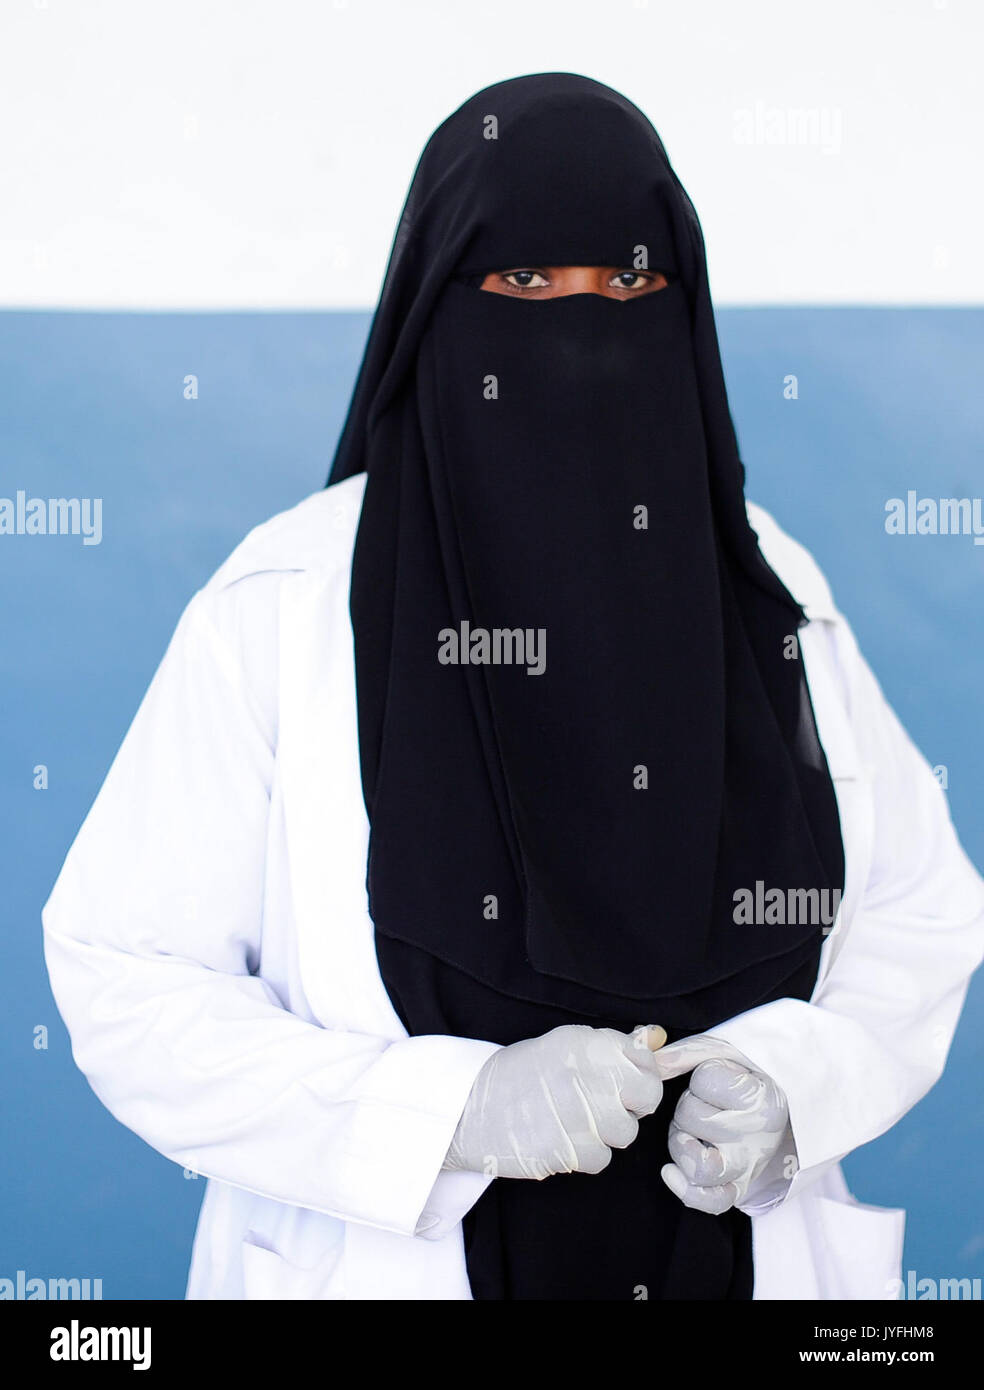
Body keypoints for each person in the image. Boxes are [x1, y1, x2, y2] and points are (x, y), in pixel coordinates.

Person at [41, 72, 984, 1301]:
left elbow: (920, 909)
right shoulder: (284, 601)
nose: (582, 331)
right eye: (528, 283)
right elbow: (125, 974)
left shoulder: (768, 587)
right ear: (437, 302)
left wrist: (797, 1083)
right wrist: (451, 1110)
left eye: (629, 286)